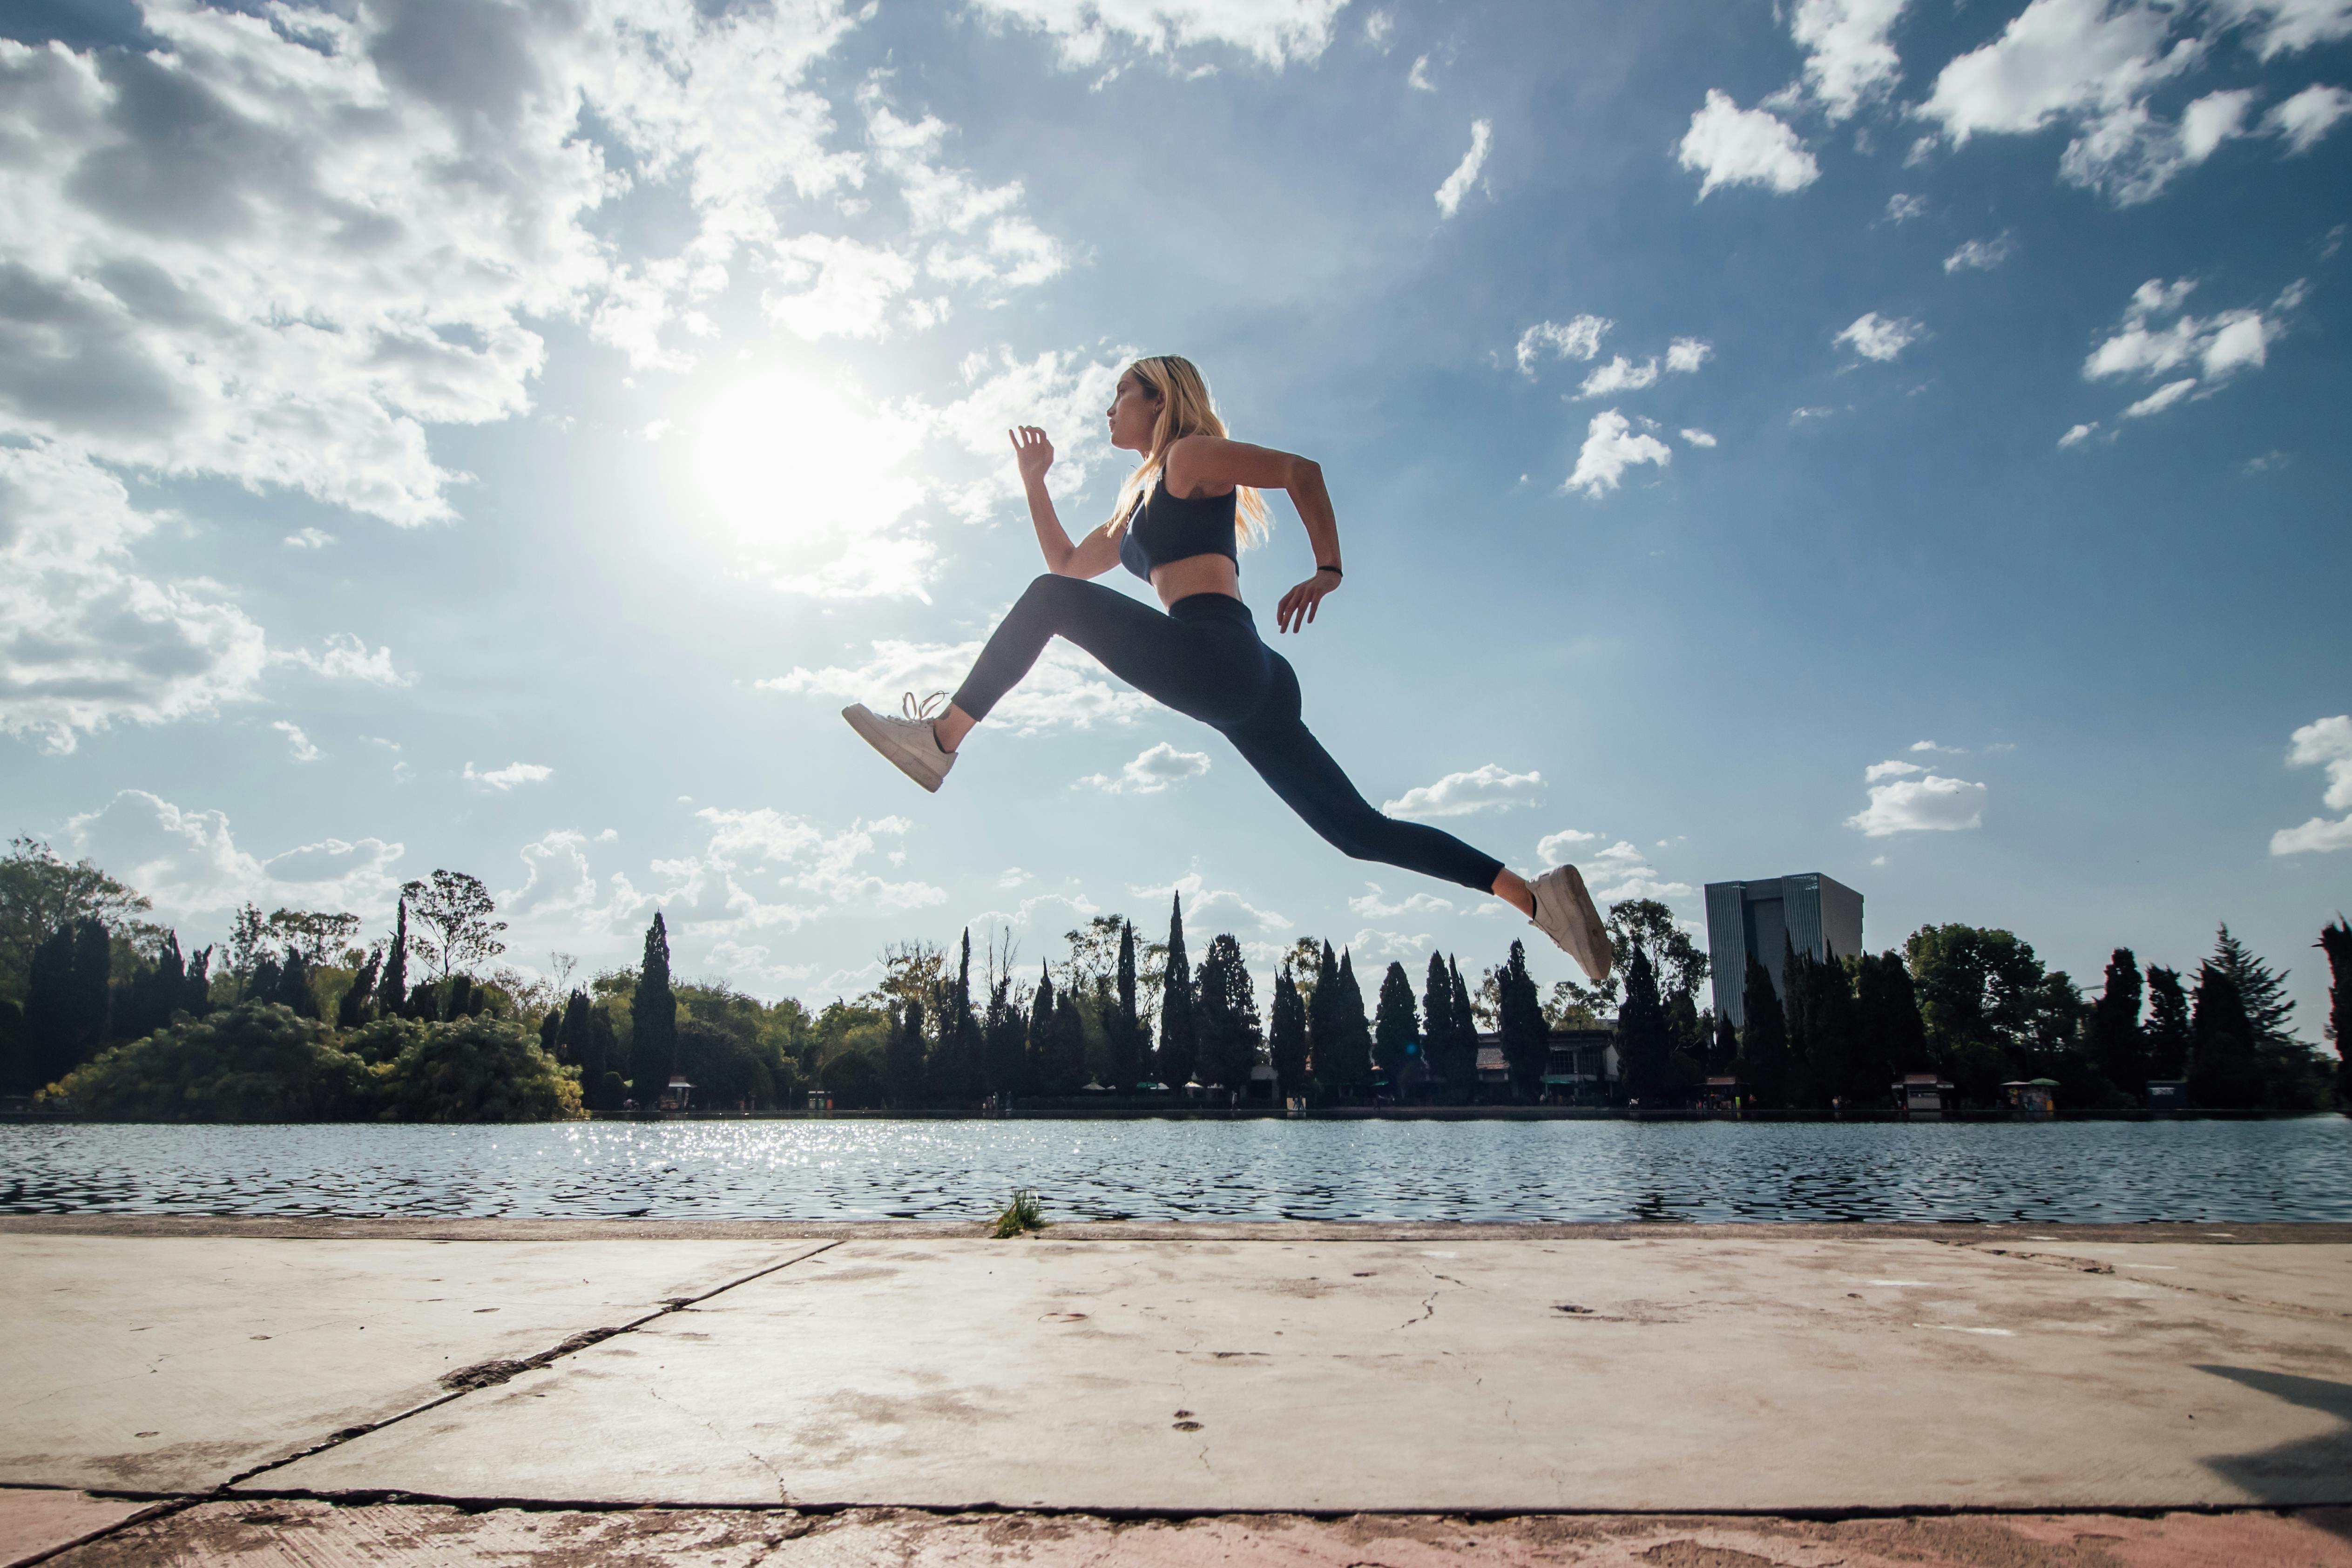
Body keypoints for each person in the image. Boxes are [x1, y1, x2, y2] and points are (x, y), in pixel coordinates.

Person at [842, 355, 1611, 983]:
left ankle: (939, 740)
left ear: (1159, 398)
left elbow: (1301, 470)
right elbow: (1069, 564)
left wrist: (1329, 569)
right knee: (1357, 832)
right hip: (1250, 679)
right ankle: (1536, 900)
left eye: (1120, 393)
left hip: (1216, 655)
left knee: (1049, 602)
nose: (1108, 408)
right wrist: (1035, 481)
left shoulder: (1189, 456)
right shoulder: (1141, 502)